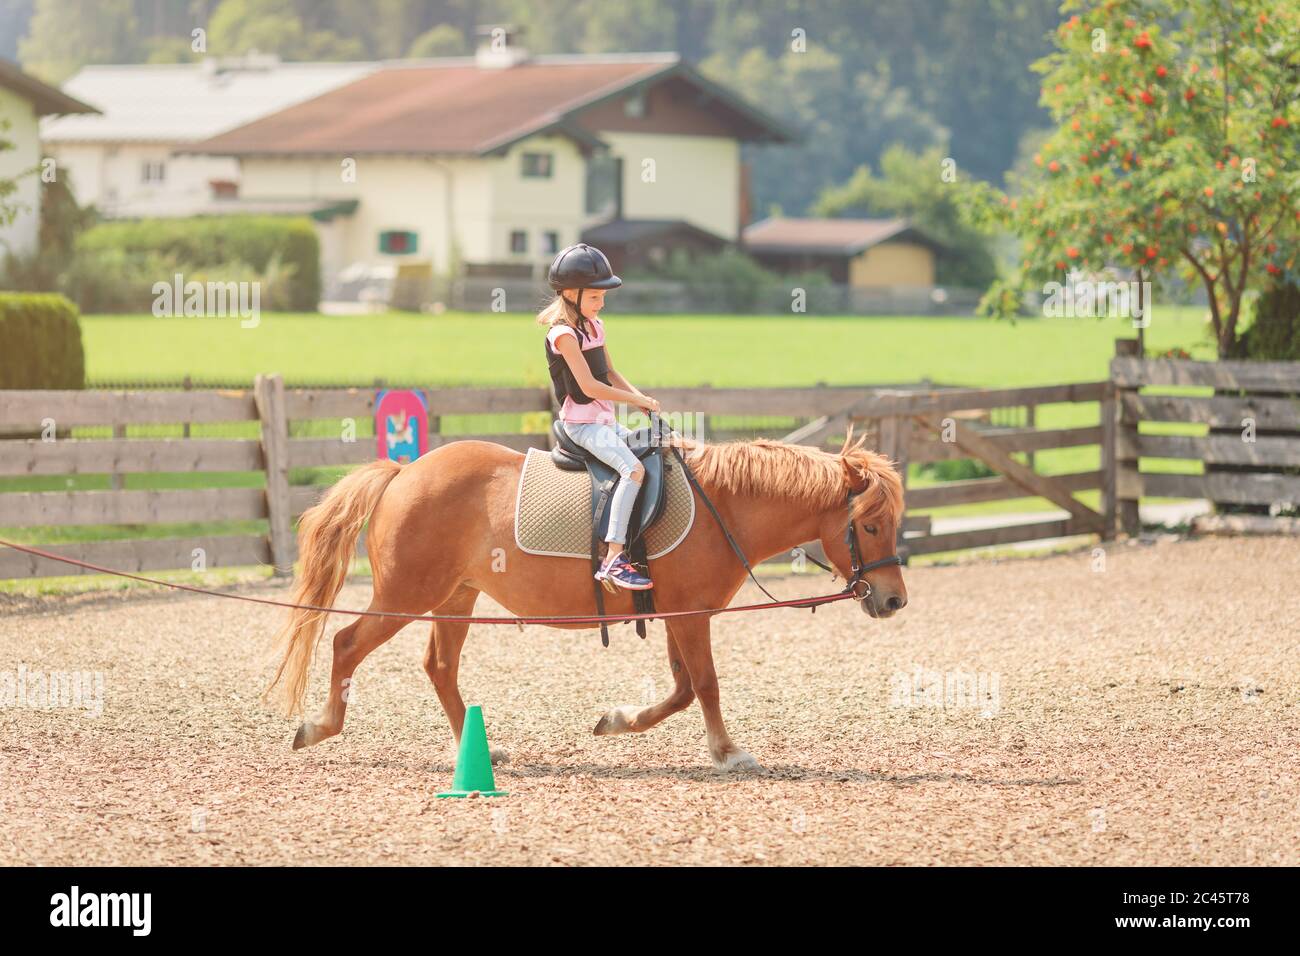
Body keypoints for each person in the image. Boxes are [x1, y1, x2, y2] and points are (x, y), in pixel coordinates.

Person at [539, 243, 660, 590]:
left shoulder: (595, 326)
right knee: (632, 470)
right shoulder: (562, 335)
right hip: (584, 426)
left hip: (605, 422)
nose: (601, 303)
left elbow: (609, 370)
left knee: (653, 450)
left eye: (602, 297)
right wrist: (636, 400)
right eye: (594, 297)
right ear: (570, 295)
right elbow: (590, 387)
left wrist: (638, 399)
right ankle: (613, 558)